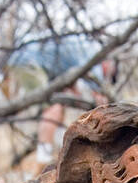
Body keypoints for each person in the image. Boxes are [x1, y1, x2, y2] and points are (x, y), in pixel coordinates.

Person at [11, 34, 117, 167]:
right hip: (28, 60)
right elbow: (99, 97)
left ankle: (61, 153)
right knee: (53, 108)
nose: (107, 78)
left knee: (58, 104)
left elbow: (71, 83)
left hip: (29, 59)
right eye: (110, 75)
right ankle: (43, 160)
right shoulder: (95, 57)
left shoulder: (81, 52)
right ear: (109, 64)